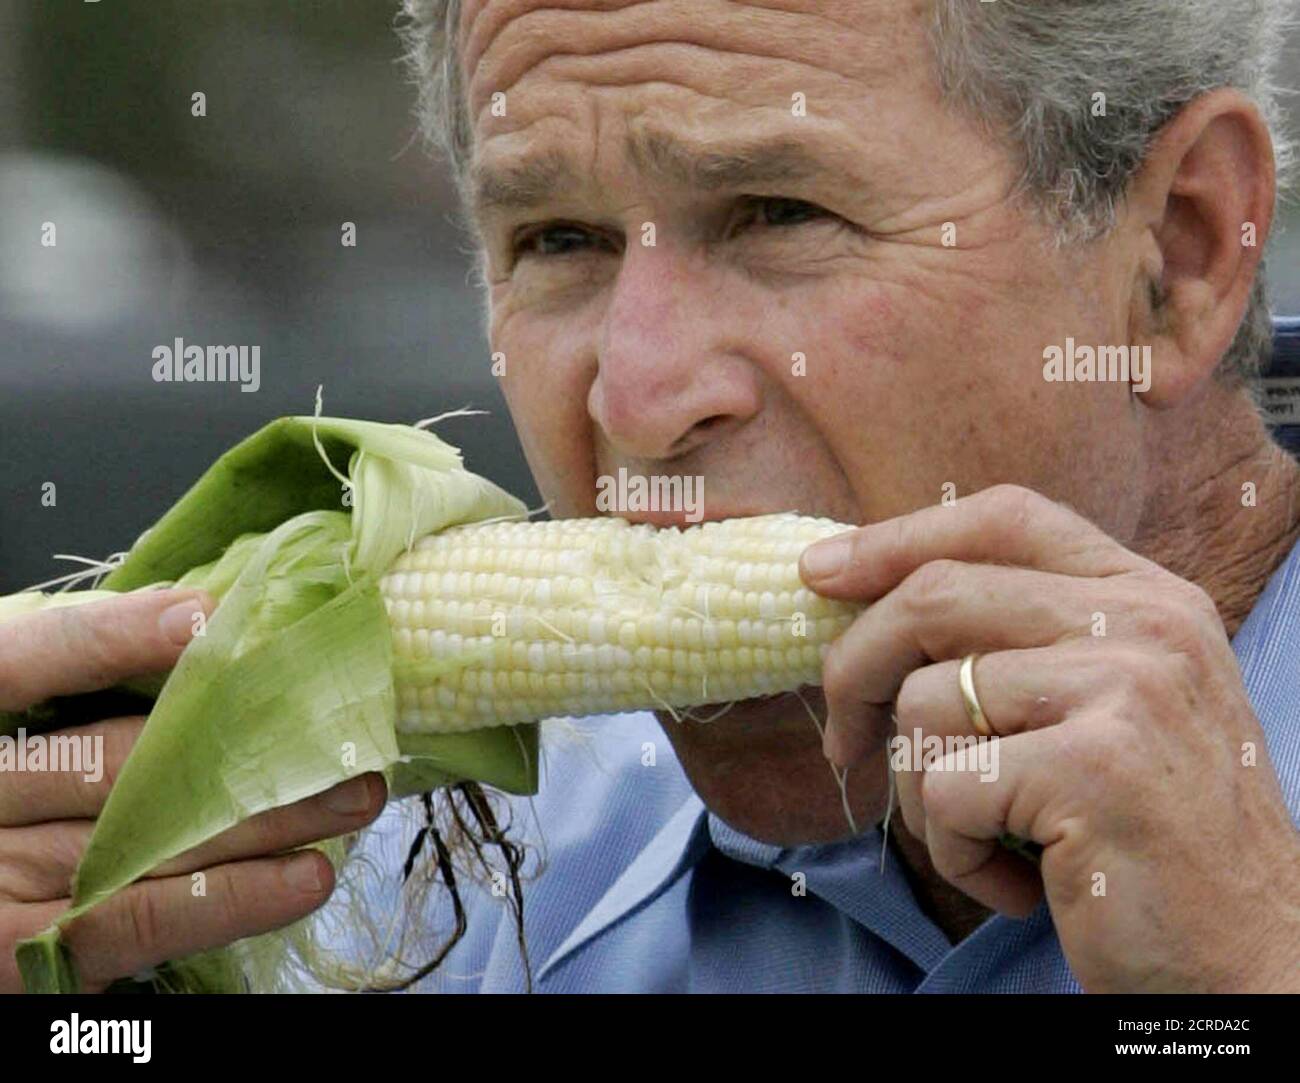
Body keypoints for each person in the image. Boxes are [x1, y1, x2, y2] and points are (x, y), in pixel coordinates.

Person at [2, 0, 1298, 992]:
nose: (634, 395)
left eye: (778, 214)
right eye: (556, 241)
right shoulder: (398, 900)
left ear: (1178, 252)